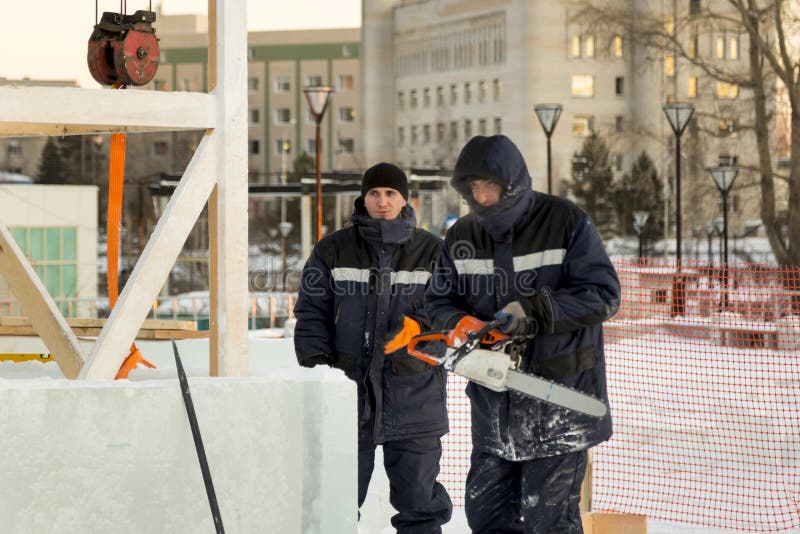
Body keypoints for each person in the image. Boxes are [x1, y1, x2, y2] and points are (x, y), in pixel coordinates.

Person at [425, 135, 620, 533]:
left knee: (548, 522)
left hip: (560, 400)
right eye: (473, 189)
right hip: (494, 407)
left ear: (511, 182)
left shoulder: (565, 222)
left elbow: (603, 295)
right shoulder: (461, 236)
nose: (481, 196)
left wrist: (535, 309)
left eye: (489, 186)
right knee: (486, 517)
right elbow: (437, 301)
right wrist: (459, 323)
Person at [294, 162, 453, 533]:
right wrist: (318, 366)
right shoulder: (332, 249)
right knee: (338, 500)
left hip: (415, 394)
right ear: (363, 198)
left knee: (419, 502)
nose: (382, 201)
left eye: (391, 194)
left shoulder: (433, 251)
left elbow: (453, 310)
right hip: (348, 396)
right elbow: (311, 310)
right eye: (375, 194)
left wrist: (423, 329)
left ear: (404, 199)